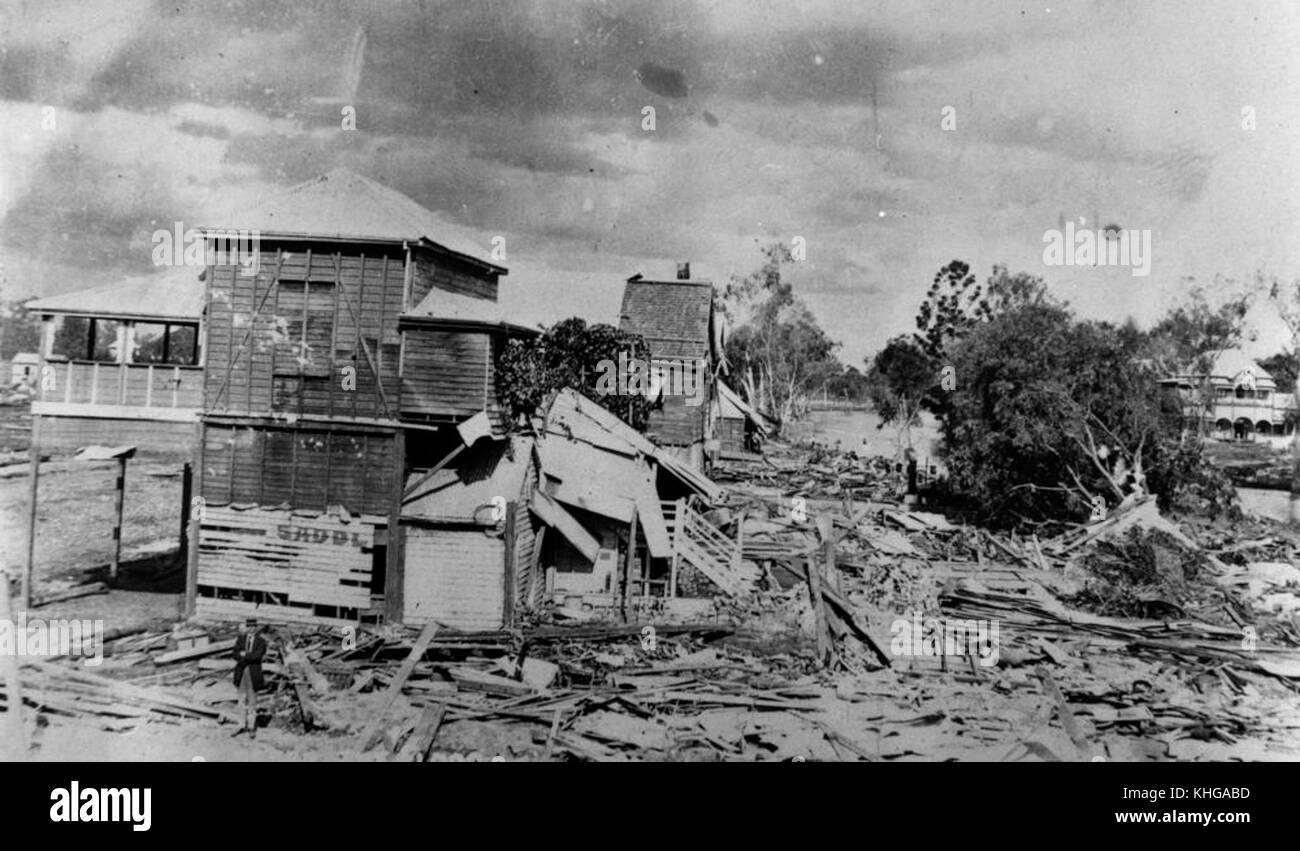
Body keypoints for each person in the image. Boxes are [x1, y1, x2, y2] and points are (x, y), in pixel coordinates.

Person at [232, 618, 267, 738]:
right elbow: (235, 654)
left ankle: (252, 727)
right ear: (246, 627)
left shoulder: (261, 641)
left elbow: (257, 656)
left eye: (253, 626)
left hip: (253, 674)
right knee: (241, 700)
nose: (251, 628)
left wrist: (244, 655)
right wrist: (246, 656)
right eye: (249, 626)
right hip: (241, 673)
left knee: (252, 701)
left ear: (256, 627)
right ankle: (241, 724)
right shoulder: (241, 639)